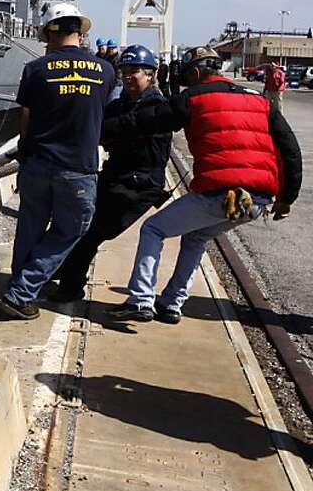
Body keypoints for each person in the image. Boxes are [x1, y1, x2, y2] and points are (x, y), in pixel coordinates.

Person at [104, 46, 302, 323]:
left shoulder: (194, 97)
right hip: (257, 199)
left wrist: (100, 129)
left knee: (154, 229)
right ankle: (172, 304)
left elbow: (146, 121)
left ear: (196, 72)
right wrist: (286, 199)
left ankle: (140, 300)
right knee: (197, 236)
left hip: (220, 193)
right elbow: (290, 150)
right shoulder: (259, 100)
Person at [0, 2, 117, 320]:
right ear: (80, 34)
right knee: (69, 231)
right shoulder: (106, 71)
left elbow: (26, 116)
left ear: (49, 34)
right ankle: (21, 291)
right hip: (78, 168)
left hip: (37, 163)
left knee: (30, 227)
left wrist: (26, 149)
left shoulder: (35, 69)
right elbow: (102, 112)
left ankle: (20, 286)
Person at [52, 45, 173, 301]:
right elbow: (102, 129)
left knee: (91, 233)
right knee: (79, 226)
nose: (128, 77)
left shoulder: (158, 108)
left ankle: (69, 289)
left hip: (138, 186)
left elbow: (113, 131)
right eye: (125, 72)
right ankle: (62, 273)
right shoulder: (119, 105)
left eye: (135, 72)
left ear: (151, 75)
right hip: (116, 178)